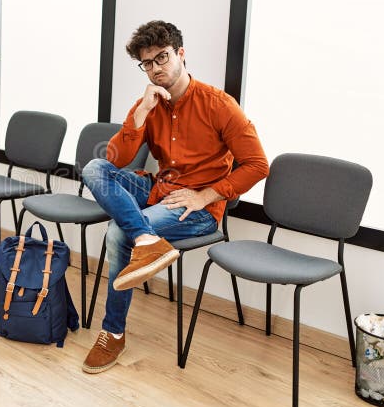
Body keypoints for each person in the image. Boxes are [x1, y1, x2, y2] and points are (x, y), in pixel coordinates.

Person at [80, 20, 269, 374]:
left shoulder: (219, 105)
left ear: (180, 54)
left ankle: (113, 333)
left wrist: (206, 195)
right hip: (158, 190)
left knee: (119, 234)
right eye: (147, 64)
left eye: (161, 58)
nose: (155, 69)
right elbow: (116, 160)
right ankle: (147, 238)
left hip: (197, 209)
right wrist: (140, 114)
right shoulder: (147, 104)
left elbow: (258, 165)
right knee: (93, 168)